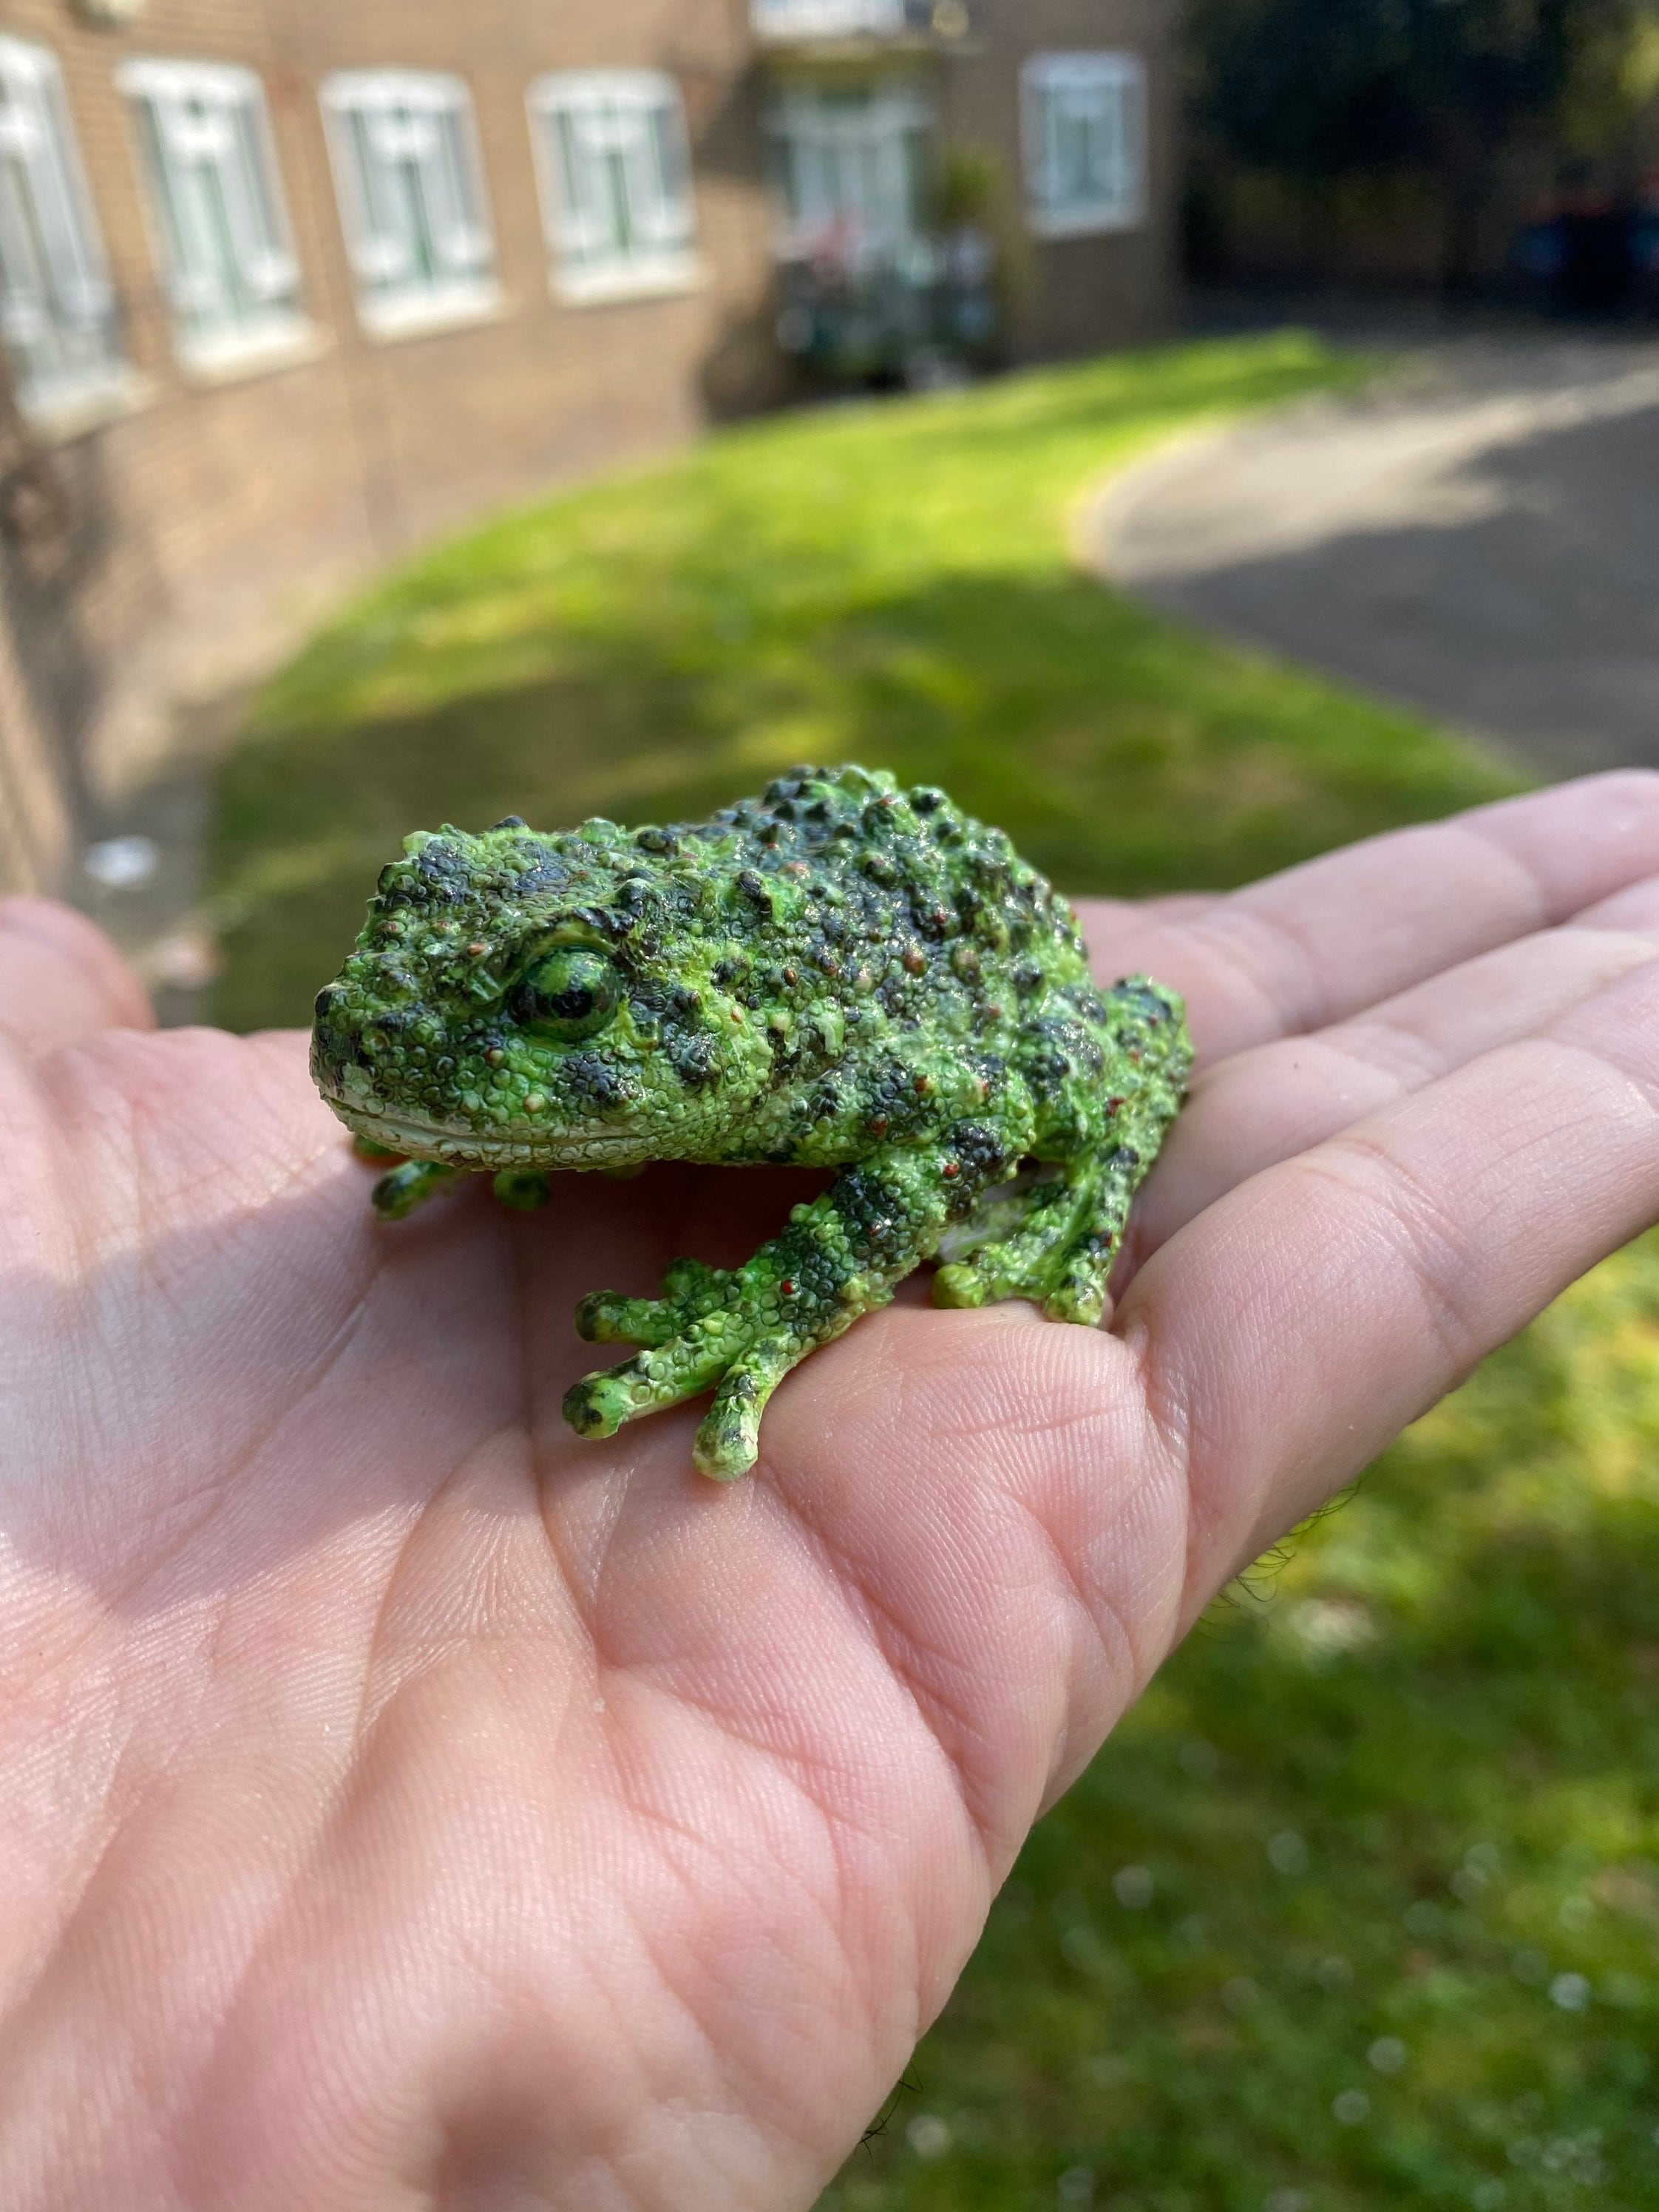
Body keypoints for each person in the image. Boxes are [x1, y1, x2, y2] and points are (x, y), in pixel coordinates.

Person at [5, 770, 1659, 2206]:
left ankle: (1065, 1175)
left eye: (563, 1004)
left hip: (943, 948)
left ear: (690, 1017)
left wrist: (766, 1306)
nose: (364, 1021)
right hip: (771, 879)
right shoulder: (626, 1001)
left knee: (1061, 1077)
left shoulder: (820, 1049)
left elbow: (946, 1131)